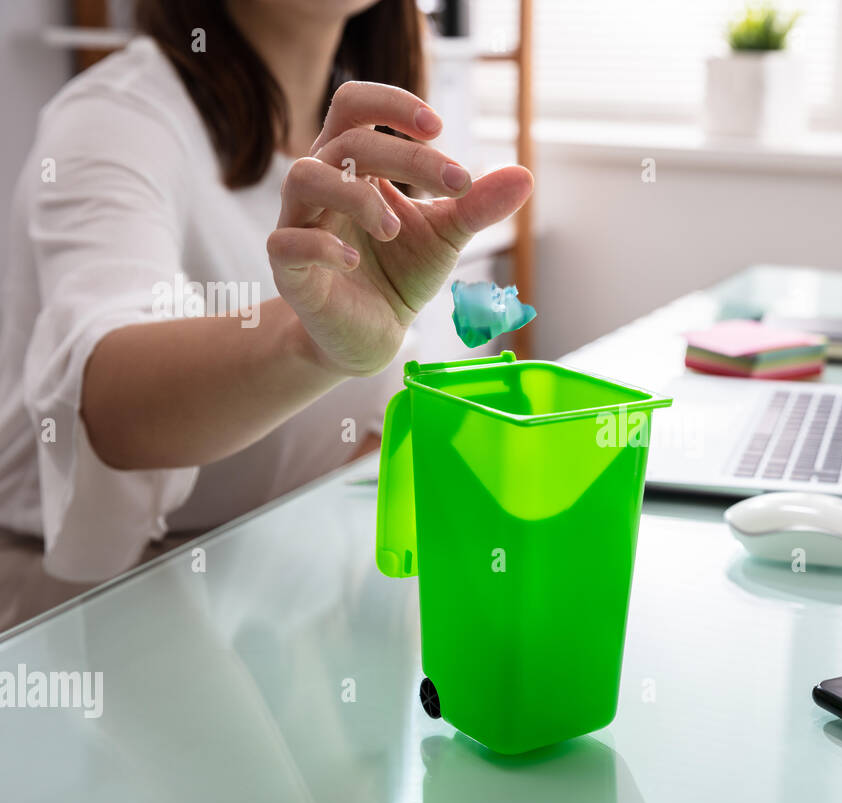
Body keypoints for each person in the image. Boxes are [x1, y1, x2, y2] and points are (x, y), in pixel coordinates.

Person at [0, 0, 533, 628]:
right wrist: (311, 342)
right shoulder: (114, 119)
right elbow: (105, 403)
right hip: (94, 609)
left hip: (280, 588)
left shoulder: (375, 137)